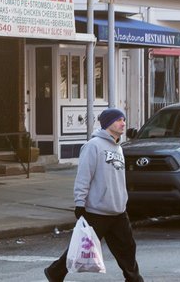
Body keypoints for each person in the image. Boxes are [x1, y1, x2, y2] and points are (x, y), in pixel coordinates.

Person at [44, 107, 143, 282]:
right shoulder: (93, 146)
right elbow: (84, 176)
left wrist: (123, 201)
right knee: (81, 247)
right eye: (119, 120)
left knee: (127, 248)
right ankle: (56, 272)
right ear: (107, 123)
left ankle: (134, 279)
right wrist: (80, 203)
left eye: (124, 120)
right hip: (97, 211)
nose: (123, 123)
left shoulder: (118, 148)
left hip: (118, 211)